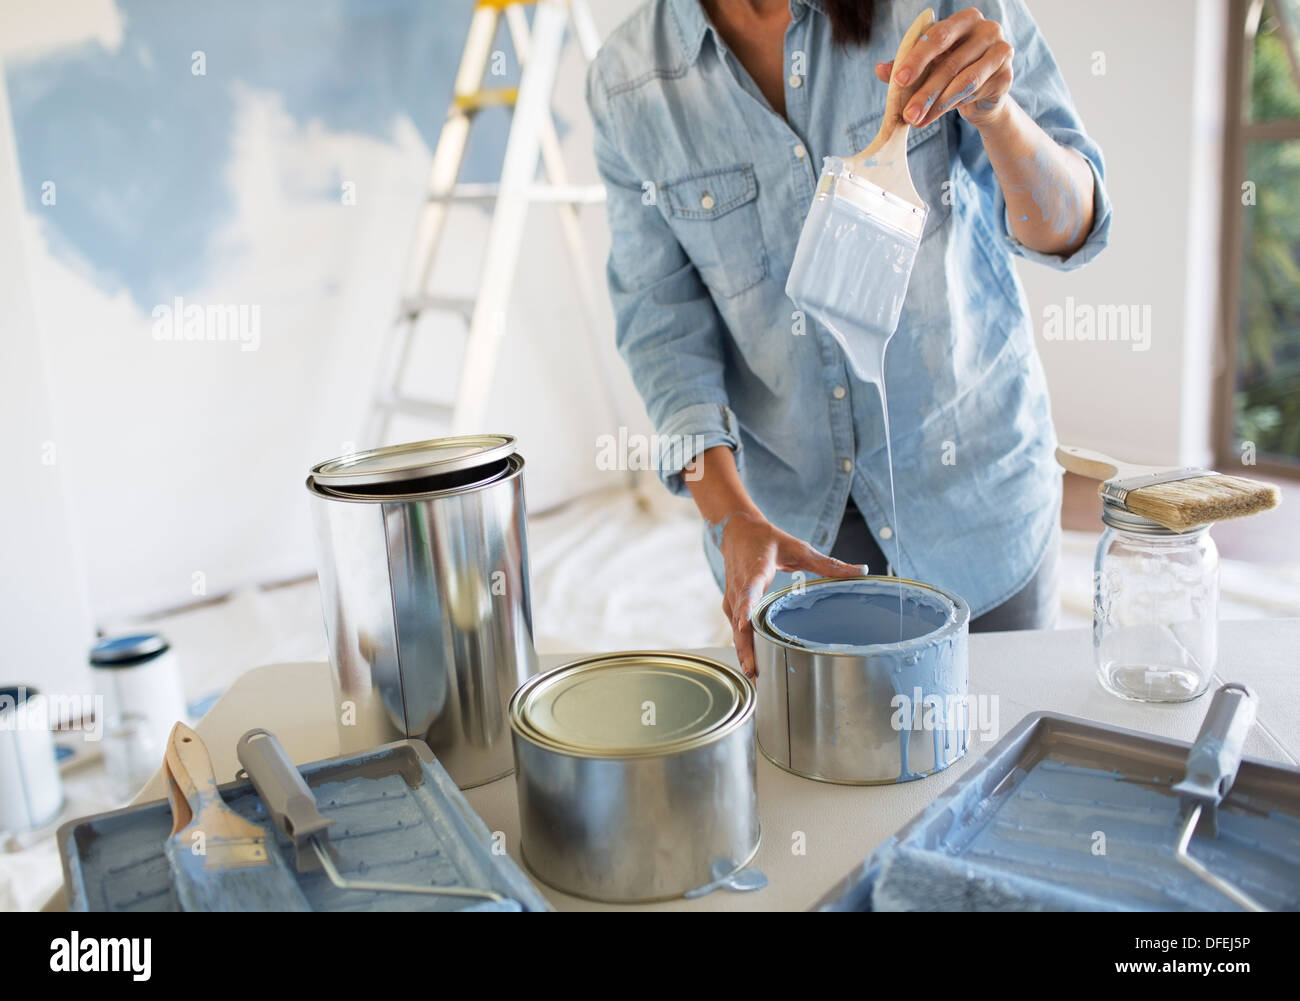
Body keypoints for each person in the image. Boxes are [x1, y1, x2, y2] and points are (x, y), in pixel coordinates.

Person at [587, 0, 1110, 676]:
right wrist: (727, 515)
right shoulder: (627, 84)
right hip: (792, 543)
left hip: (979, 512)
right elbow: (662, 328)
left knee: (999, 759)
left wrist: (997, 116)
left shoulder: (936, 7)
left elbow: (1071, 228)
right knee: (823, 773)